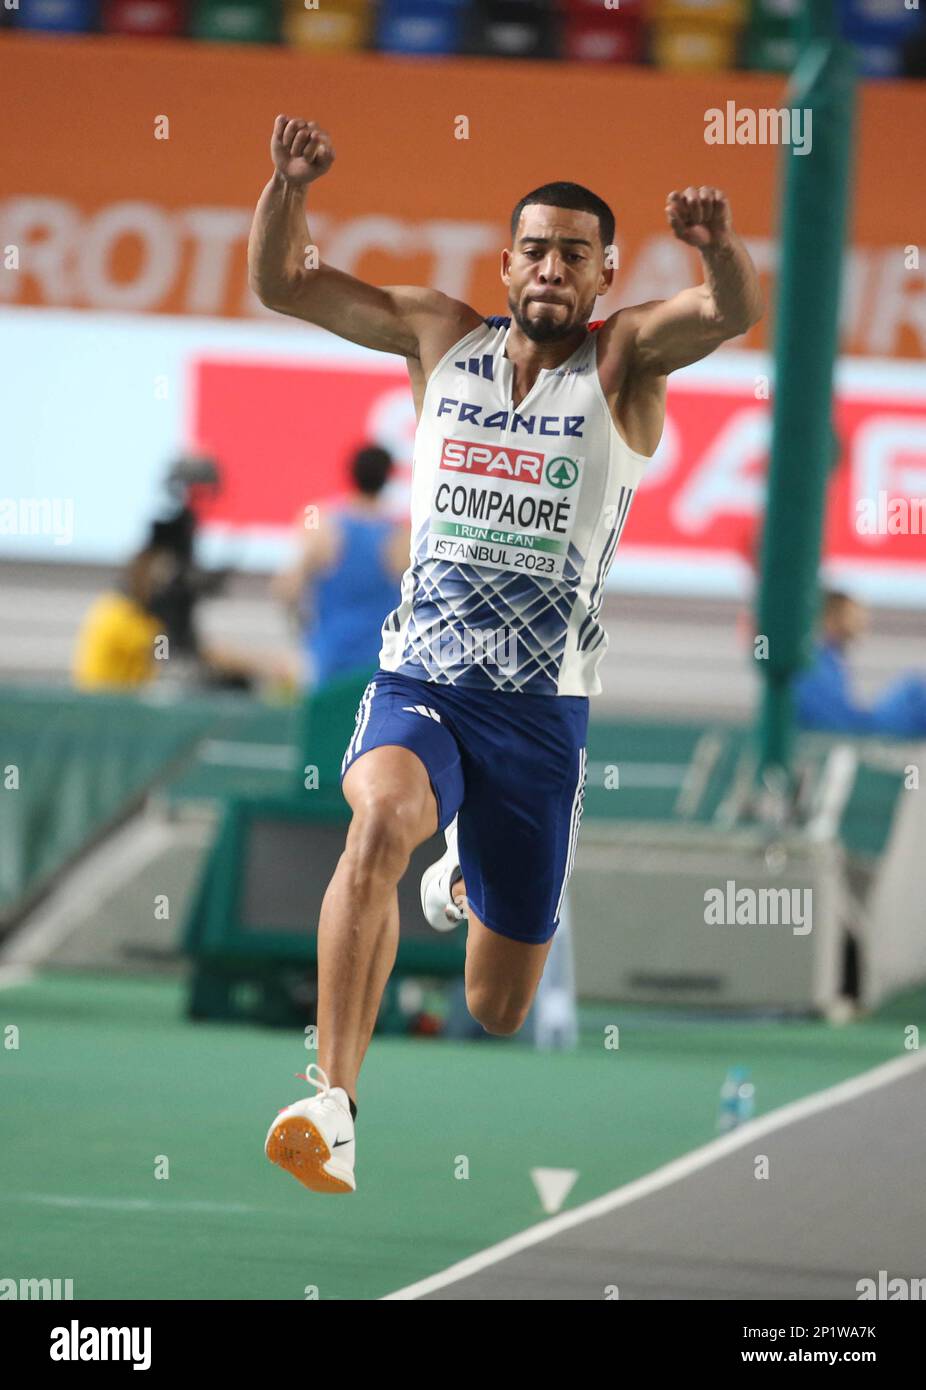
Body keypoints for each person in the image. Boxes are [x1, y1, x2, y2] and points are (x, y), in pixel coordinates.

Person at [249, 114, 763, 1194]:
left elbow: (729, 310)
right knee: (378, 819)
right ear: (505, 260)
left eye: (574, 253)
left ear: (601, 270)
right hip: (421, 681)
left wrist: (713, 246)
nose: (550, 267)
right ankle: (332, 1102)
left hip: (538, 715)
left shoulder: (622, 359)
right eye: (534, 247)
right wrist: (285, 186)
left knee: (496, 1004)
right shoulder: (440, 338)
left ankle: (462, 884)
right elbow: (284, 286)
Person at [273, 444, 410, 689]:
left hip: (329, 654)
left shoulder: (322, 523)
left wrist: (303, 632)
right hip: (380, 660)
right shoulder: (400, 535)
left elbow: (287, 589)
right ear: (387, 479)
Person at [793, 590, 926, 738]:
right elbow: (840, 722)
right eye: (852, 615)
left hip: (858, 725)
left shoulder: (825, 659)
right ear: (832, 617)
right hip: (858, 729)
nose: (862, 621)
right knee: (915, 690)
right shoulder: (815, 662)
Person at [73, 543, 174, 690]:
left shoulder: (147, 618)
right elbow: (157, 650)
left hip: (126, 701)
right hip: (102, 703)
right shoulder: (116, 611)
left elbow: (161, 658)